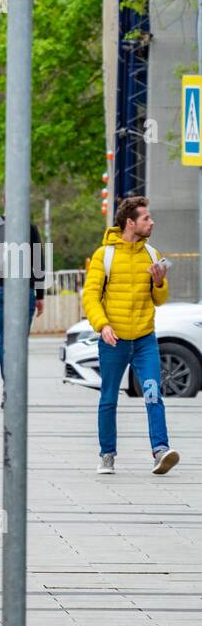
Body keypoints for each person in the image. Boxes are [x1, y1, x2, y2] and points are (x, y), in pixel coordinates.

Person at [81, 196, 180, 476]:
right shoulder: (105, 255)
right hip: (115, 340)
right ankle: (107, 454)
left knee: (153, 393)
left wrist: (159, 281)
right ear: (130, 223)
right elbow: (90, 296)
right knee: (109, 398)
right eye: (146, 218)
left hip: (145, 339)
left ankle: (160, 451)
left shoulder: (151, 254)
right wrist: (103, 326)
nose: (152, 222)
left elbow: (159, 299)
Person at [0, 215, 45, 407]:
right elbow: (38, 259)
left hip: (1, 288)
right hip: (26, 289)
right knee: (20, 341)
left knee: (5, 340)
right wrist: (40, 295)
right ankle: (17, 390)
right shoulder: (29, 224)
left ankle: (9, 388)